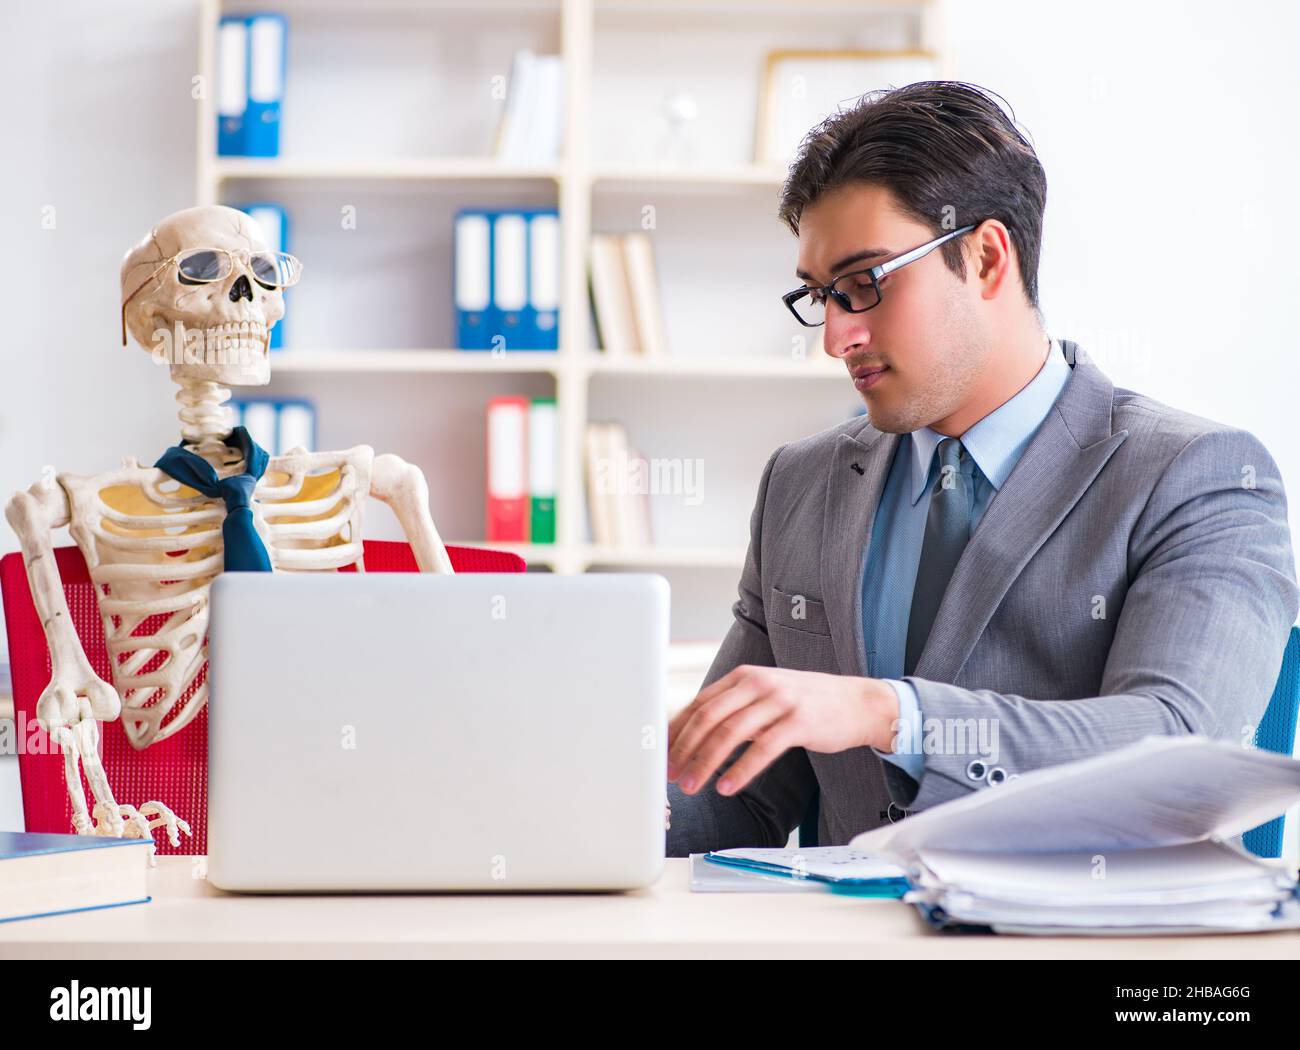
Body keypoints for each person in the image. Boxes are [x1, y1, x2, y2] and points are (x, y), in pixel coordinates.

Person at [664, 81, 1298, 855]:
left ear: (988, 256)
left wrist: (890, 713)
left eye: (864, 285)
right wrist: (563, 799)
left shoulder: (1197, 477)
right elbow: (736, 798)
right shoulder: (801, 483)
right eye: (821, 297)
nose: (835, 338)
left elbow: (1174, 743)